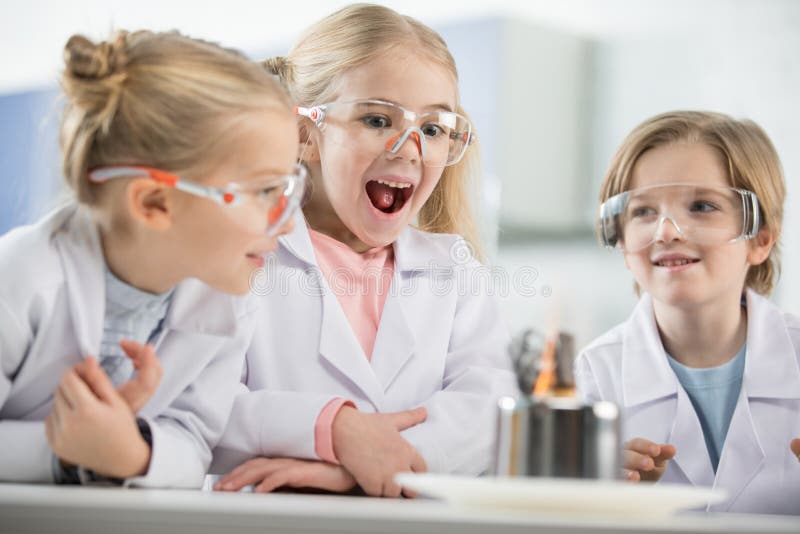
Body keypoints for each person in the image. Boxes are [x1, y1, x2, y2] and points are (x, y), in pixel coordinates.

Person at [212, 3, 519, 497]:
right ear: (305, 135)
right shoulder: (238, 254)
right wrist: (334, 430)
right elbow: (199, 401)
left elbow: (489, 407)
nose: (410, 148)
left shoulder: (454, 270)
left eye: (433, 129)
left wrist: (376, 466)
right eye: (377, 119)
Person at [0, 29, 304, 487]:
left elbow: (194, 439)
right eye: (264, 192)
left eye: (287, 189)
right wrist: (67, 454)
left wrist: (133, 453)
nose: (289, 223)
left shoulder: (226, 298)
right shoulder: (20, 280)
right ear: (154, 203)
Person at [575, 110, 800, 514]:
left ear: (760, 239)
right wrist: (603, 499)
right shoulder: (596, 375)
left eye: (701, 206)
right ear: (622, 241)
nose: (665, 232)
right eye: (643, 211)